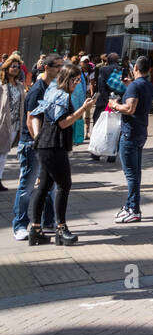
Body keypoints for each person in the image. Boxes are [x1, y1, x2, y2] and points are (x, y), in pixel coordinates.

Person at [26, 62, 97, 245]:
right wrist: (83, 109)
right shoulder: (63, 96)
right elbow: (62, 123)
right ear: (67, 79)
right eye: (75, 80)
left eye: (78, 80)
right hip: (53, 146)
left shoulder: (52, 90)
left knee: (44, 186)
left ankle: (35, 230)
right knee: (64, 185)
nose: (77, 83)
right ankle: (61, 229)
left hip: (45, 144)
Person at [12, 56, 61, 240]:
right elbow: (30, 120)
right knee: (27, 187)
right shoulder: (36, 90)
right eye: (58, 67)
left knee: (50, 185)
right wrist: (41, 144)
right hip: (32, 145)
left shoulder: (52, 88)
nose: (60, 70)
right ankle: (19, 225)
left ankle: (48, 221)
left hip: (47, 144)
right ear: (47, 68)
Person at [109, 55, 153, 224]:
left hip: (130, 132)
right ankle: (129, 206)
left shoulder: (135, 86)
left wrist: (114, 105)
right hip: (141, 132)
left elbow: (129, 108)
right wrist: (130, 86)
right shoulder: (148, 86)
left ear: (135, 67)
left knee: (131, 174)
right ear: (149, 69)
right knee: (135, 173)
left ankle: (134, 209)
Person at [0, 52, 26, 190]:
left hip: (14, 124)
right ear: (7, 67)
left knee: (4, 152)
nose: (15, 69)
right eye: (13, 66)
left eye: (17, 67)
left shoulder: (19, 85)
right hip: (1, 123)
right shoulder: (1, 85)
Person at [90, 54, 121, 162]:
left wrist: (107, 99)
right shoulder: (122, 69)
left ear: (107, 60)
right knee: (115, 128)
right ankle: (112, 154)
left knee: (98, 125)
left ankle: (96, 152)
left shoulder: (103, 70)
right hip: (117, 103)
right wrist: (115, 100)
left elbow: (101, 86)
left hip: (103, 102)